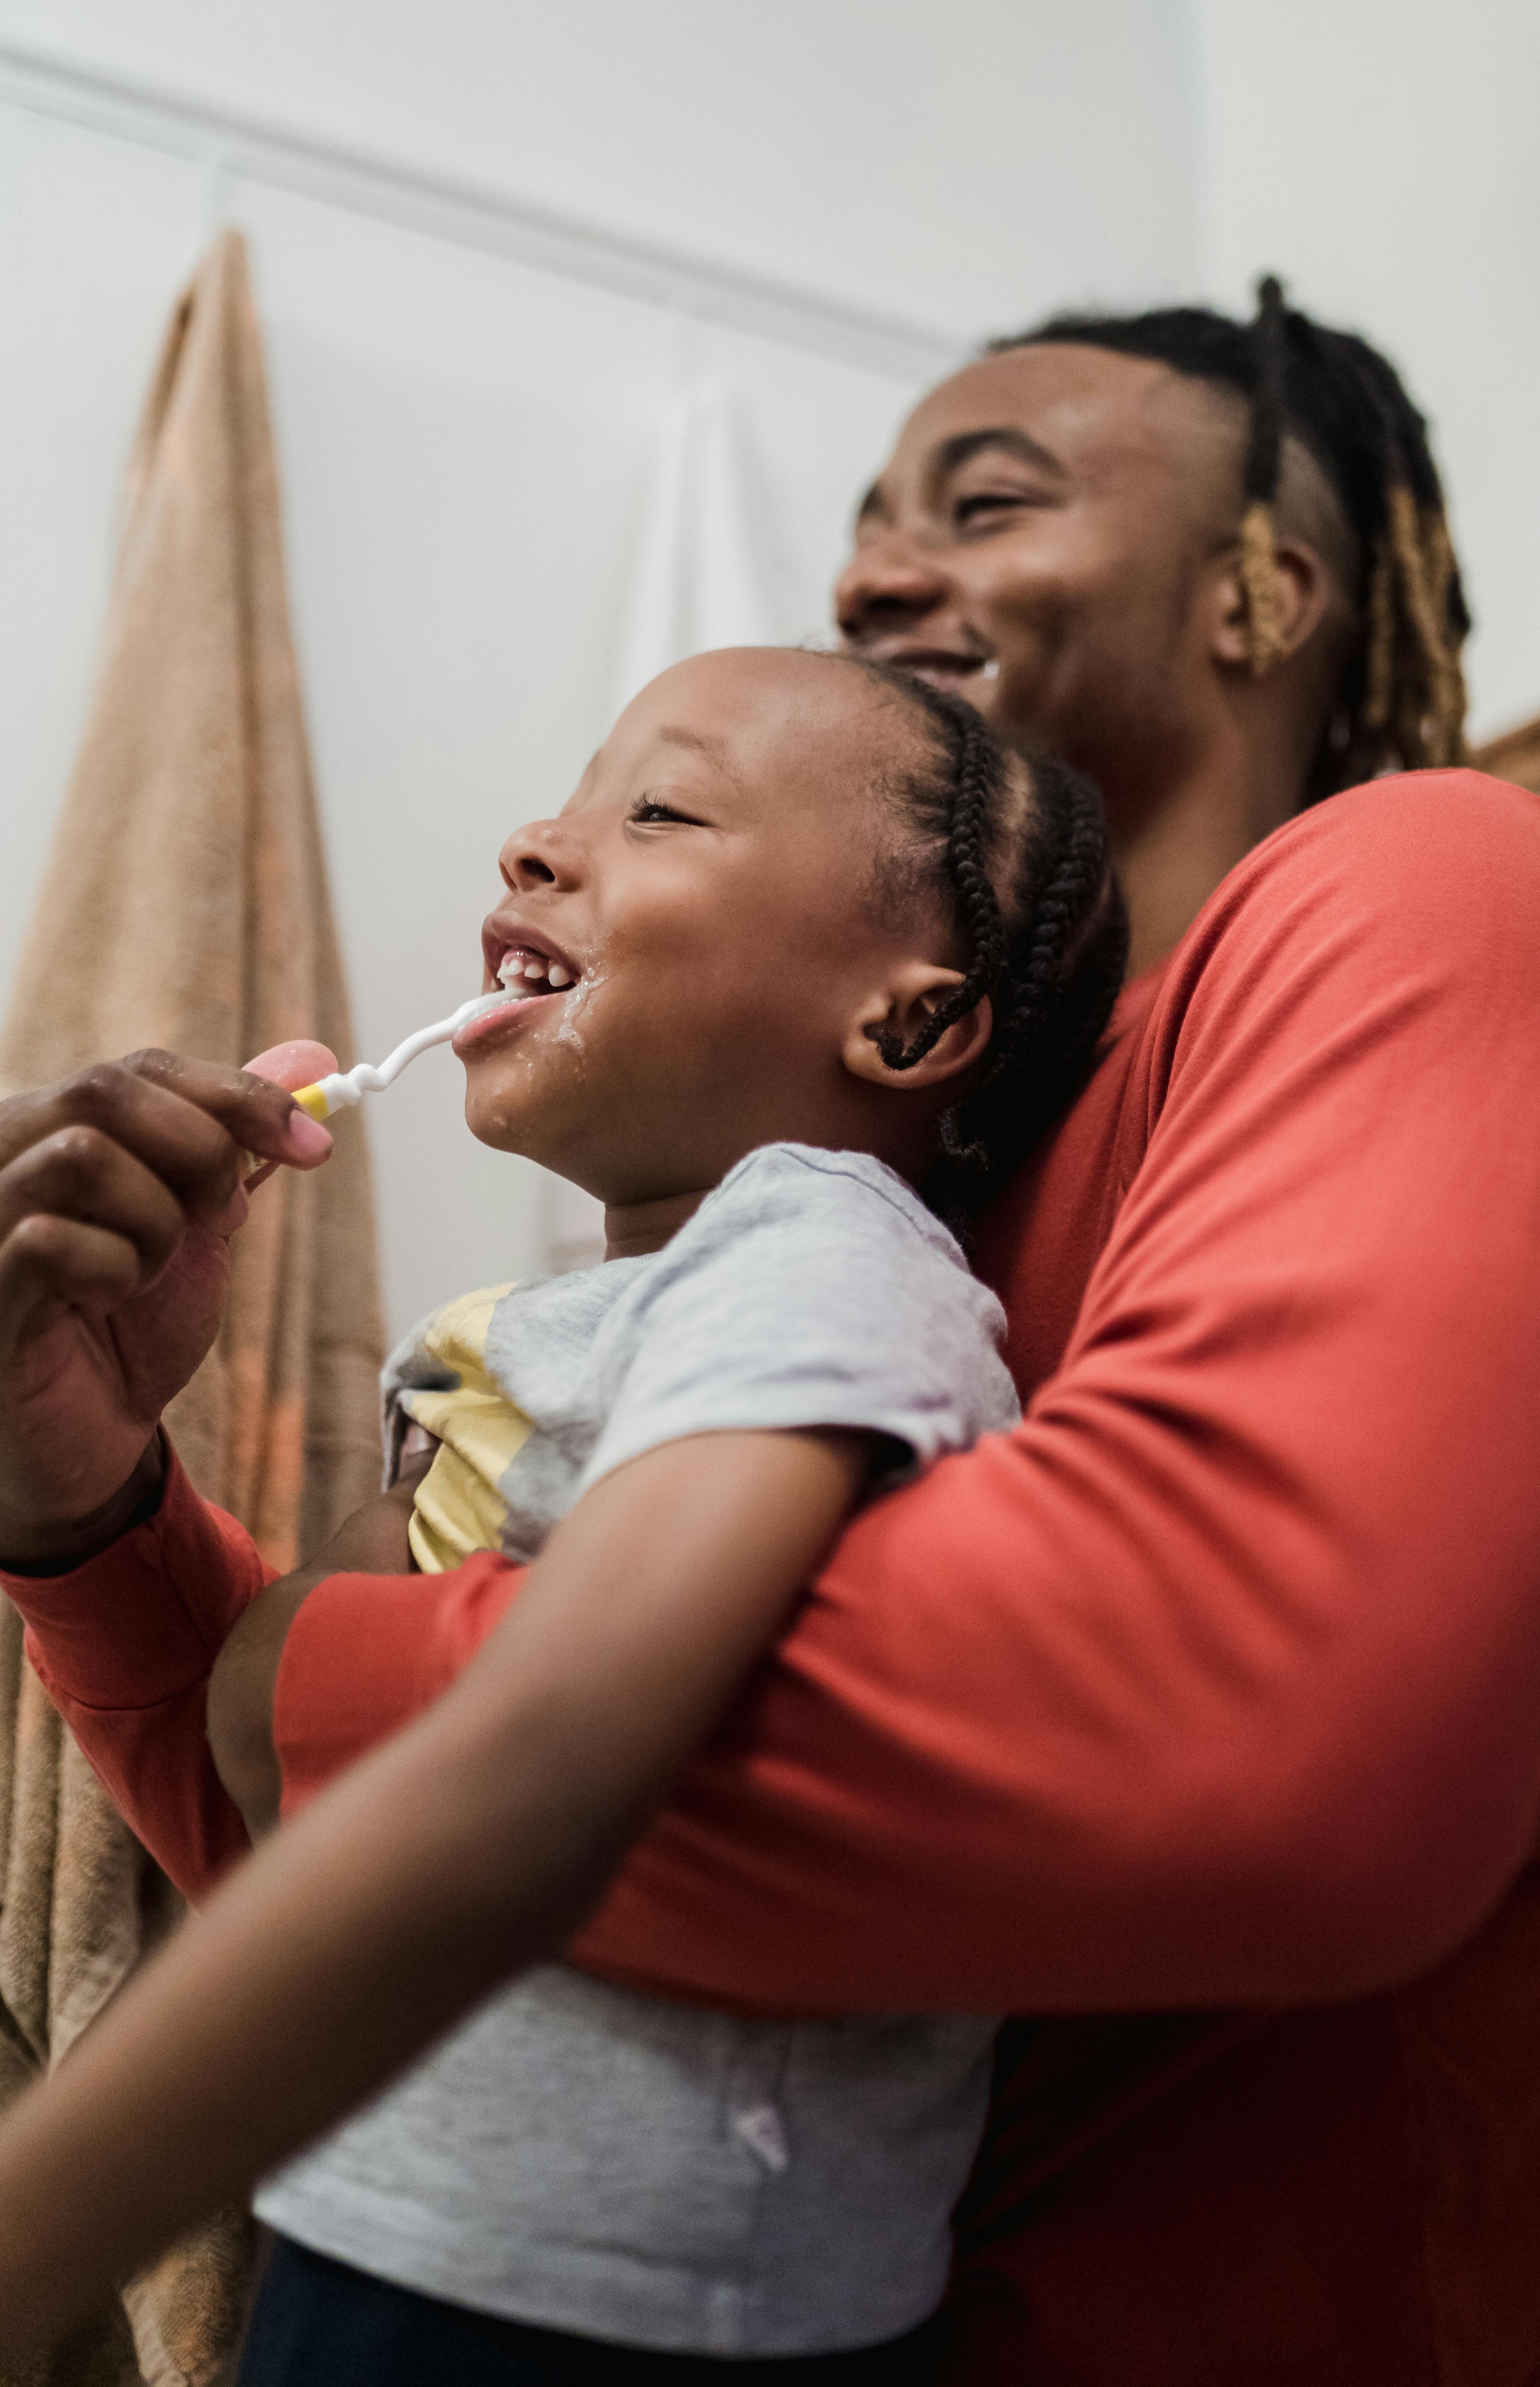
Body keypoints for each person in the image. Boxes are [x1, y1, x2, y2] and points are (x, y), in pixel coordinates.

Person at [0, 284, 1540, 2384]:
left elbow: (1251, 1767)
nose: (871, 574)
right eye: (869, 520)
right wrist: (86, 1507)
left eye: (984, 503)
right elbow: (411, 1923)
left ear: (1266, 587)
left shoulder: (1423, 883)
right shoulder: (838, 1182)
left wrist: (308, 1675)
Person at [0, 643, 1125, 2375]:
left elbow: (555, 1751)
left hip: (607, 2318)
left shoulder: (822, 1253)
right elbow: (292, 1794)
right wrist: (79, 1474)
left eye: (660, 811)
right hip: (399, 2227)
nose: (532, 841)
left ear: (908, 1023)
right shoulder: (570, 1330)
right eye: (575, 797)